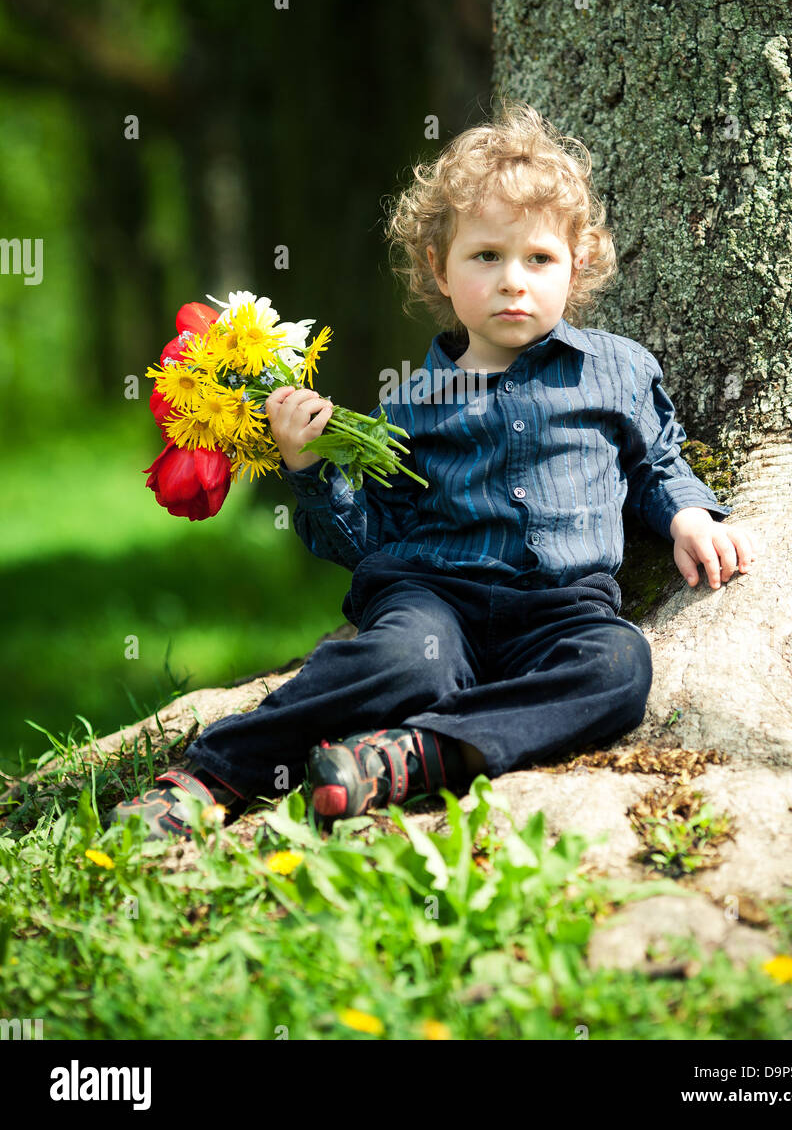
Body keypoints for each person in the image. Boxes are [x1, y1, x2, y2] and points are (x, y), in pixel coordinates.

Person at [109, 100, 755, 840]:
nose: (515, 281)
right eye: (487, 256)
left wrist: (686, 514)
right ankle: (207, 776)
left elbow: (656, 460)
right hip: (431, 599)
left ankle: (410, 757)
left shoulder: (615, 370)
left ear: (576, 266)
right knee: (398, 661)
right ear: (439, 270)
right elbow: (368, 541)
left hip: (562, 607)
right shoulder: (410, 403)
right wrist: (312, 469)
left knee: (618, 664)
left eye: (539, 259)